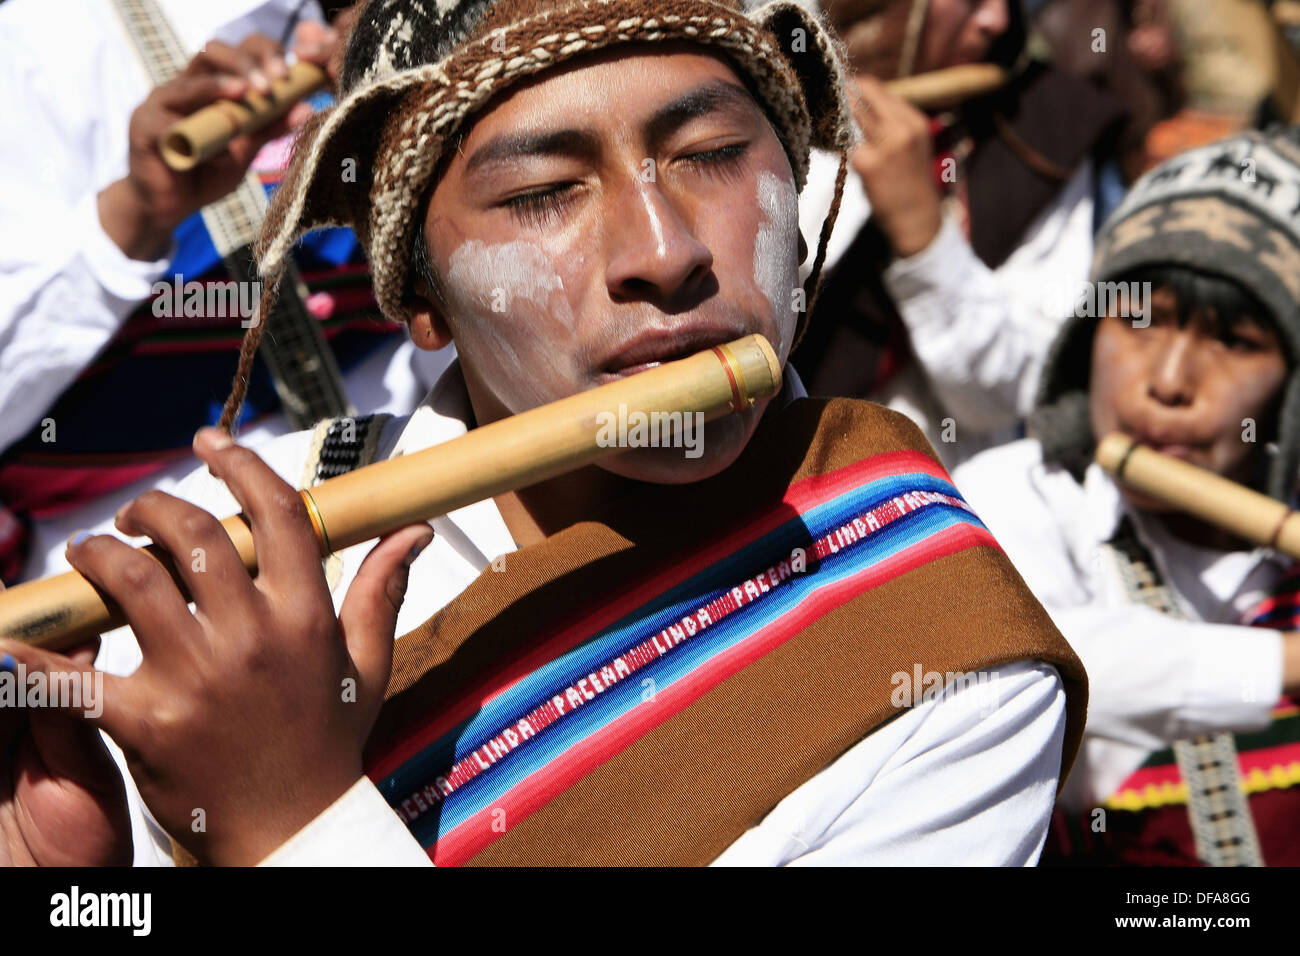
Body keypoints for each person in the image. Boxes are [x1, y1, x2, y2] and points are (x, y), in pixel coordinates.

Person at [0, 0, 1085, 867]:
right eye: (541, 192)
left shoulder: (942, 642)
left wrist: (297, 821)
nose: (662, 251)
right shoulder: (241, 559)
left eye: (709, 152)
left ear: (795, 199)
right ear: (421, 305)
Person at [0, 0, 451, 585]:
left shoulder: (389, 15)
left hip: (425, 535)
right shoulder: (37, 46)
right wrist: (132, 216)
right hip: (148, 607)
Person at [951, 128, 1300, 865]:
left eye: (1234, 341)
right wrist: (1288, 664)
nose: (1169, 382)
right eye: (1139, 320)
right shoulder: (1019, 494)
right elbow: (1040, 665)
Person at [793, 0, 1126, 467]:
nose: (998, 21)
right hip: (771, 499)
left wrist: (927, 241)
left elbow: (1024, 387)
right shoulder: (765, 87)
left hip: (942, 505)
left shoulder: (1043, 123)